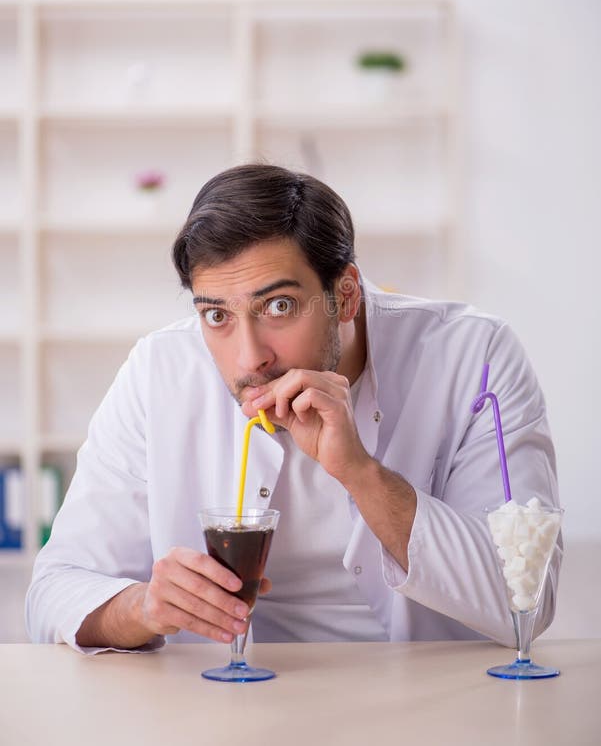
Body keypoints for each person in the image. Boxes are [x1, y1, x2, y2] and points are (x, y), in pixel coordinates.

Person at [26, 164, 561, 653]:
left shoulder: (476, 358)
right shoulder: (159, 371)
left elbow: (525, 600)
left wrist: (361, 474)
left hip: (435, 704)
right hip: (220, 711)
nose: (249, 356)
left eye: (278, 307)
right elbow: (53, 591)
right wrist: (142, 607)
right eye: (217, 316)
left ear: (345, 295)